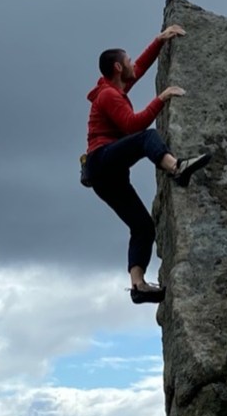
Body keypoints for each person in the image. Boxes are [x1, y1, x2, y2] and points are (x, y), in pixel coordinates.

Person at [82, 24, 209, 302]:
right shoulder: (108, 95)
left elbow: (138, 68)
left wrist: (159, 41)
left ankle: (138, 286)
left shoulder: (116, 86)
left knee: (143, 226)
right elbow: (132, 125)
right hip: (101, 162)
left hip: (108, 177)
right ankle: (177, 167)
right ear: (117, 67)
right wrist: (161, 98)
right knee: (145, 136)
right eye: (126, 61)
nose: (131, 64)